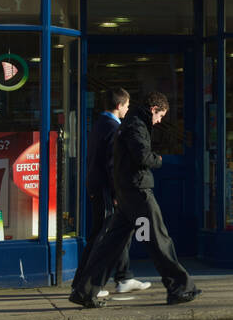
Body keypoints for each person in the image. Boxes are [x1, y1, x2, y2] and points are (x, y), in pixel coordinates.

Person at [70, 92, 200, 308]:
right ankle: (180, 287)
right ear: (153, 109)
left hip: (127, 194)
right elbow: (142, 156)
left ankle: (85, 291)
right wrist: (157, 160)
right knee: (158, 239)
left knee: (112, 244)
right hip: (138, 192)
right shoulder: (136, 125)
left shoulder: (130, 123)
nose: (159, 122)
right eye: (160, 116)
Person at [70, 87, 151, 299]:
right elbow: (111, 164)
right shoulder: (113, 127)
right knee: (103, 235)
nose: (128, 109)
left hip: (98, 186)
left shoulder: (100, 124)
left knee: (114, 232)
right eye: (126, 105)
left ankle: (124, 277)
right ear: (119, 105)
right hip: (107, 189)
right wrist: (117, 191)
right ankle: (84, 282)